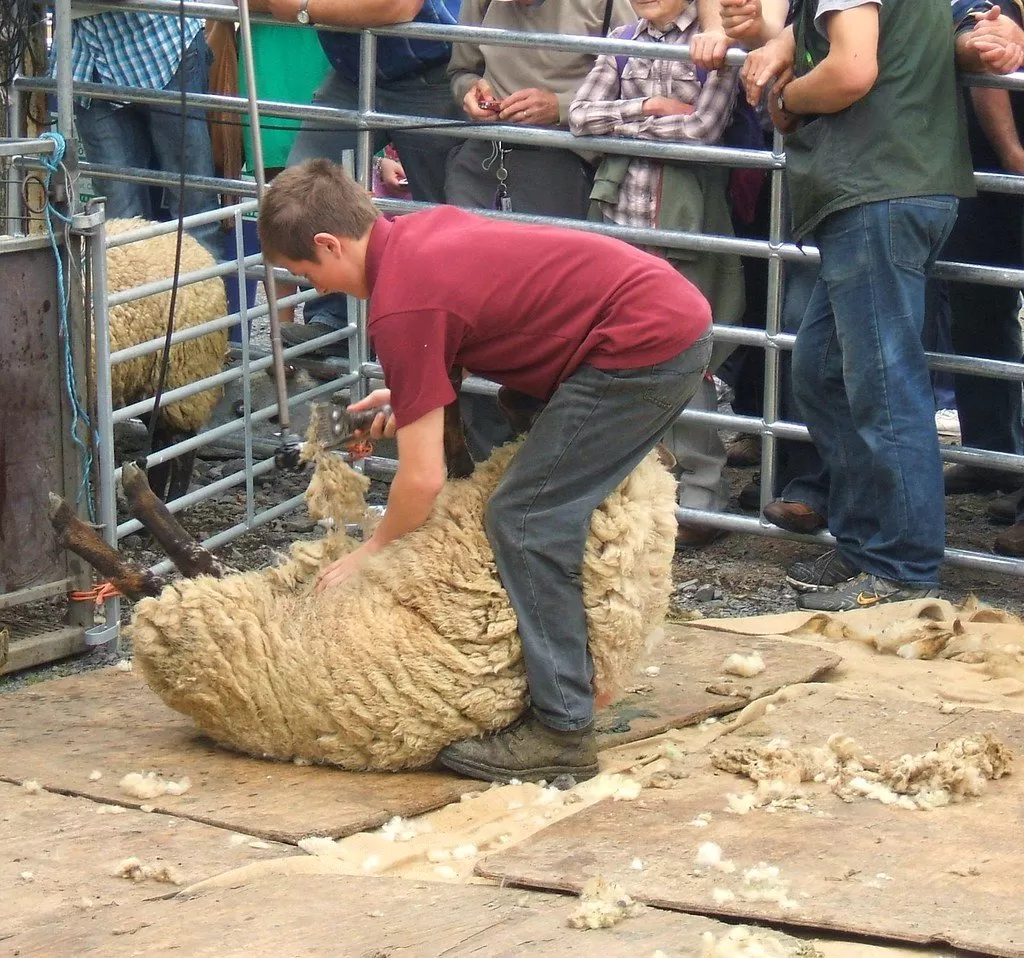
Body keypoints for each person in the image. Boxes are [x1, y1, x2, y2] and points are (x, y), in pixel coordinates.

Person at [258, 159, 714, 782]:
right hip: (643, 321)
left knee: (524, 517)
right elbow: (482, 309)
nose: (315, 288)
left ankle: (562, 730)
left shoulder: (400, 307)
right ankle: (547, 649)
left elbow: (421, 481)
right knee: (518, 430)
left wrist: (376, 547)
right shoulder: (416, 237)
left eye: (305, 273)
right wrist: (412, 392)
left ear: (328, 244)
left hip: (641, 345)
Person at [733, 0, 975, 611]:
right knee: (822, 370)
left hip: (879, 188)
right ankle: (868, 539)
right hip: (896, 185)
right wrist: (787, 42)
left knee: (882, 385)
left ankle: (901, 565)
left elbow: (851, 71)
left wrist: (786, 101)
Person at [568, 0, 743, 549]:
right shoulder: (623, 39)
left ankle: (700, 496)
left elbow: (703, 129)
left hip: (683, 231)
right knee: (619, 356)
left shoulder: (717, 46)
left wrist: (625, 117)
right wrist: (650, 106)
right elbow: (578, 117)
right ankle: (632, 492)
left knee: (690, 360)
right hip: (619, 231)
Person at [250, 0, 460, 339]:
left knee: (443, 219)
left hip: (430, 71)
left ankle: (441, 343)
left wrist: (304, 7)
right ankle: (299, 338)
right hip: (352, 72)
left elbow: (398, 7)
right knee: (296, 195)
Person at [61, 10, 221, 254]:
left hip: (161, 44)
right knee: (120, 223)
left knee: (194, 208)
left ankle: (205, 290)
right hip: (85, 55)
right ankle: (136, 292)